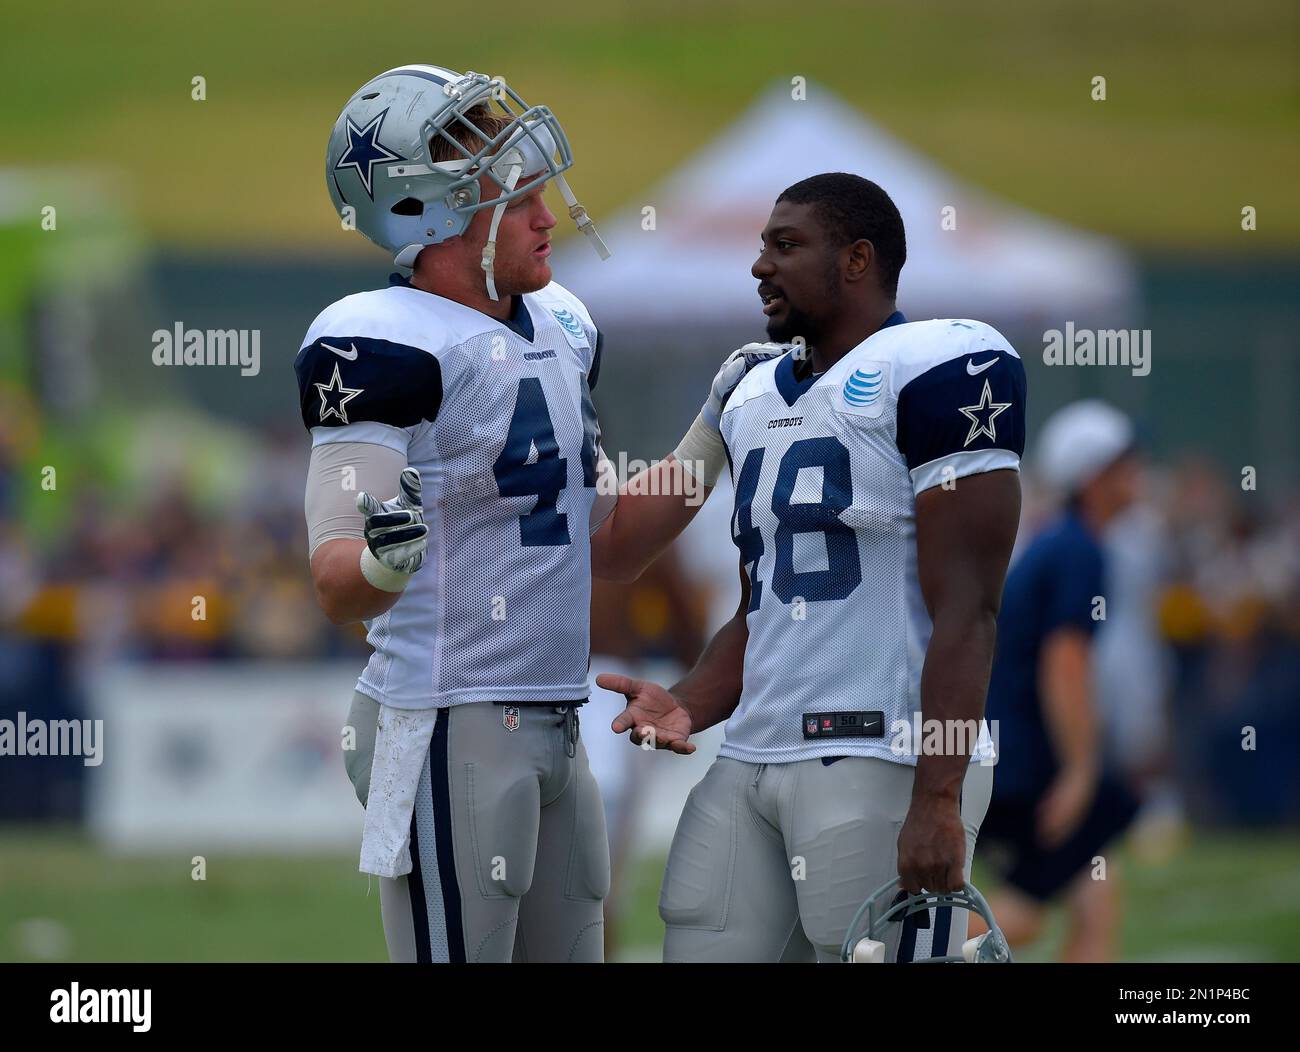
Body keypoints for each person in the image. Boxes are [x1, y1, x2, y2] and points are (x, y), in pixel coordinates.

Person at [297, 64, 761, 962]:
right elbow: (336, 585)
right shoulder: (380, 339)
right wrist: (386, 563)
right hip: (446, 718)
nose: (549, 215)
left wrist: (714, 432)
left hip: (560, 715)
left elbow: (610, 543)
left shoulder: (562, 326)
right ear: (427, 215)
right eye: (517, 198)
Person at [597, 172, 1026, 962]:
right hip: (756, 752)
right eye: (762, 245)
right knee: (696, 937)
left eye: (787, 245)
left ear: (858, 259)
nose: (761, 265)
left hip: (880, 754)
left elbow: (970, 609)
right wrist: (691, 701)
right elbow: (736, 589)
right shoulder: (746, 386)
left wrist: (938, 796)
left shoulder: (943, 366)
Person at [969, 400, 1143, 962]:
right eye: (1126, 463)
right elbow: (1065, 664)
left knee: (1097, 895)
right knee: (1020, 915)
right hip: (1027, 762)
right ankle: (897, 951)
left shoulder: (1058, 542)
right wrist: (1080, 771)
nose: (1138, 474)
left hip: (1004, 751)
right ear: (1095, 476)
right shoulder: (1077, 548)